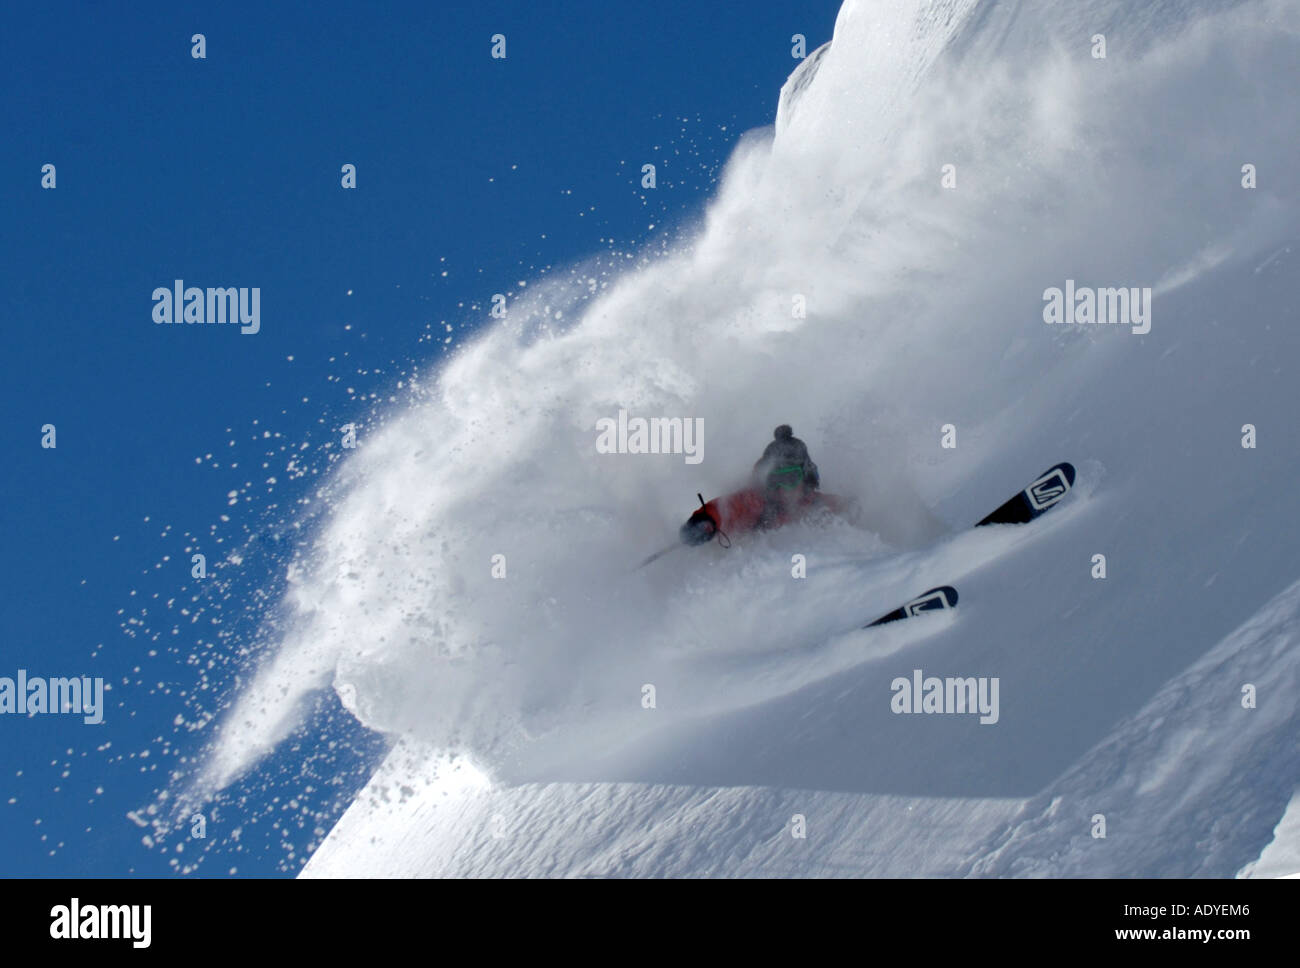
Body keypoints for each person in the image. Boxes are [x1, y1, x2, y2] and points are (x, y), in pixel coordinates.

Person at [753, 425, 819, 527]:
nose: (782, 488)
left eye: (790, 479)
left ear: (805, 483)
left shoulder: (820, 507)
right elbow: (730, 508)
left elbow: (847, 508)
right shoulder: (756, 509)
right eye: (774, 481)